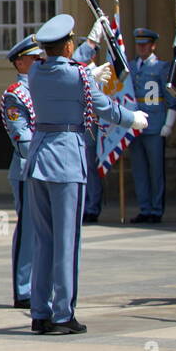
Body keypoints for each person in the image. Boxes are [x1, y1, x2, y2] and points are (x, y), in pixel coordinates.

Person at [25, 14, 146, 336]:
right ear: (67, 44)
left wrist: (88, 53)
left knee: (43, 241)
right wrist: (133, 118)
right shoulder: (79, 76)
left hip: (38, 159)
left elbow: (65, 68)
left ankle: (40, 313)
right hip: (66, 161)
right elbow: (104, 107)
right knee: (67, 242)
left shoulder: (37, 70)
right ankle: (63, 314)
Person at [1, 35, 43, 309]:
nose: (40, 61)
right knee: (28, 230)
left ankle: (41, 285)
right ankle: (23, 288)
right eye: (35, 58)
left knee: (45, 232)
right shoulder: (16, 93)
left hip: (47, 168)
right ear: (20, 62)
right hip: (28, 169)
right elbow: (23, 139)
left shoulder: (44, 86)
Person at [127, 28, 174, 223]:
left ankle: (156, 209)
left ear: (153, 46)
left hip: (155, 124)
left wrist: (168, 124)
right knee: (139, 169)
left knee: (156, 170)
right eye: (139, 44)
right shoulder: (130, 67)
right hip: (134, 125)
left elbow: (171, 97)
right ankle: (144, 207)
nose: (142, 48)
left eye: (146, 44)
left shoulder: (161, 67)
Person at [72, 21, 105, 223]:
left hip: (92, 124)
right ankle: (81, 205)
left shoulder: (102, 72)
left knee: (91, 167)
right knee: (78, 167)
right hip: (76, 123)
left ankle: (92, 206)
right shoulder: (76, 70)